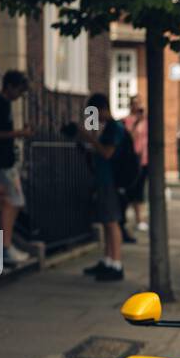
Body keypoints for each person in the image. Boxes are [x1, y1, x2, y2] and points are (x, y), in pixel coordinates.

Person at [0, 69, 32, 266]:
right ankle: (5, 246)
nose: (19, 95)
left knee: (7, 202)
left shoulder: (4, 104)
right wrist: (19, 133)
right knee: (12, 201)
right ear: (10, 86)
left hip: (4, 162)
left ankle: (2, 246)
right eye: (19, 90)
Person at [79, 93, 126, 282]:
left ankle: (116, 263)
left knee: (112, 221)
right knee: (107, 221)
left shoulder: (114, 128)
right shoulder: (108, 128)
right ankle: (108, 260)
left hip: (110, 181)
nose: (94, 117)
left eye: (94, 112)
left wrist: (89, 138)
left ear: (102, 109)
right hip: (104, 180)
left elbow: (107, 153)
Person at [122, 94, 149, 235]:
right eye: (134, 103)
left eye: (139, 103)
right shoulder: (127, 121)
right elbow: (129, 138)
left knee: (140, 191)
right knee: (132, 191)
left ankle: (140, 219)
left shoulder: (147, 121)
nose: (137, 106)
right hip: (132, 161)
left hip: (145, 160)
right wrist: (136, 123)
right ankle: (132, 219)